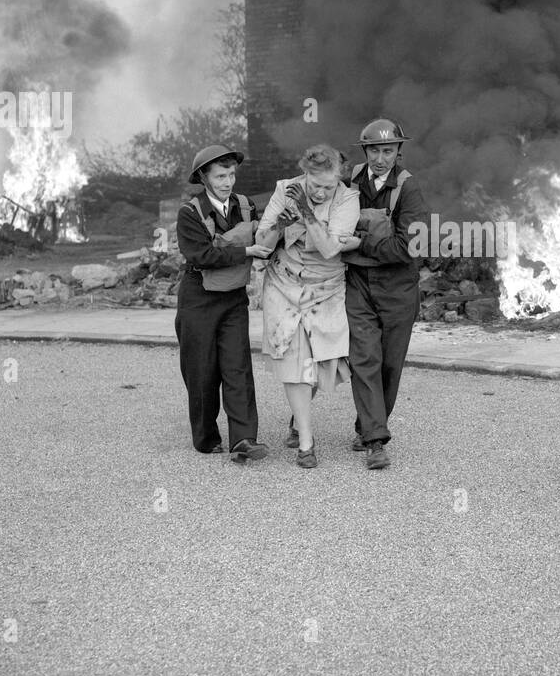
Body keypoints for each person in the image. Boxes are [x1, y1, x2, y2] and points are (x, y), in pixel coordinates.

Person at [248, 144, 362, 468]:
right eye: (315, 186)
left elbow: (329, 249)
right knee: (295, 361)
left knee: (322, 366)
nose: (323, 192)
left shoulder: (348, 200)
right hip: (284, 285)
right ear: (304, 174)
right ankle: (306, 444)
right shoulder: (285, 189)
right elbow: (262, 243)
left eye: (329, 186)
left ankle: (297, 421)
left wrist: (306, 211)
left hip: (326, 288)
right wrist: (279, 226)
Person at [341, 118, 429, 470]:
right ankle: (376, 440)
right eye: (374, 150)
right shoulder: (348, 184)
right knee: (363, 358)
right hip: (359, 284)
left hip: (398, 289)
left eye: (388, 151)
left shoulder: (409, 189)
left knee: (390, 365)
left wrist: (361, 243)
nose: (380, 158)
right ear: (365, 151)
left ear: (398, 152)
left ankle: (367, 424)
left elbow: (411, 247)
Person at [175, 144, 268, 461]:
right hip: (197, 298)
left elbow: (263, 235)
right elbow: (202, 255)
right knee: (201, 370)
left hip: (233, 300)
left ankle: (244, 439)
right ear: (203, 177)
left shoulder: (246, 205)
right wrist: (246, 253)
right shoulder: (189, 213)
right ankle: (205, 437)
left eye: (231, 174)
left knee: (238, 367)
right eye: (220, 176)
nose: (228, 181)